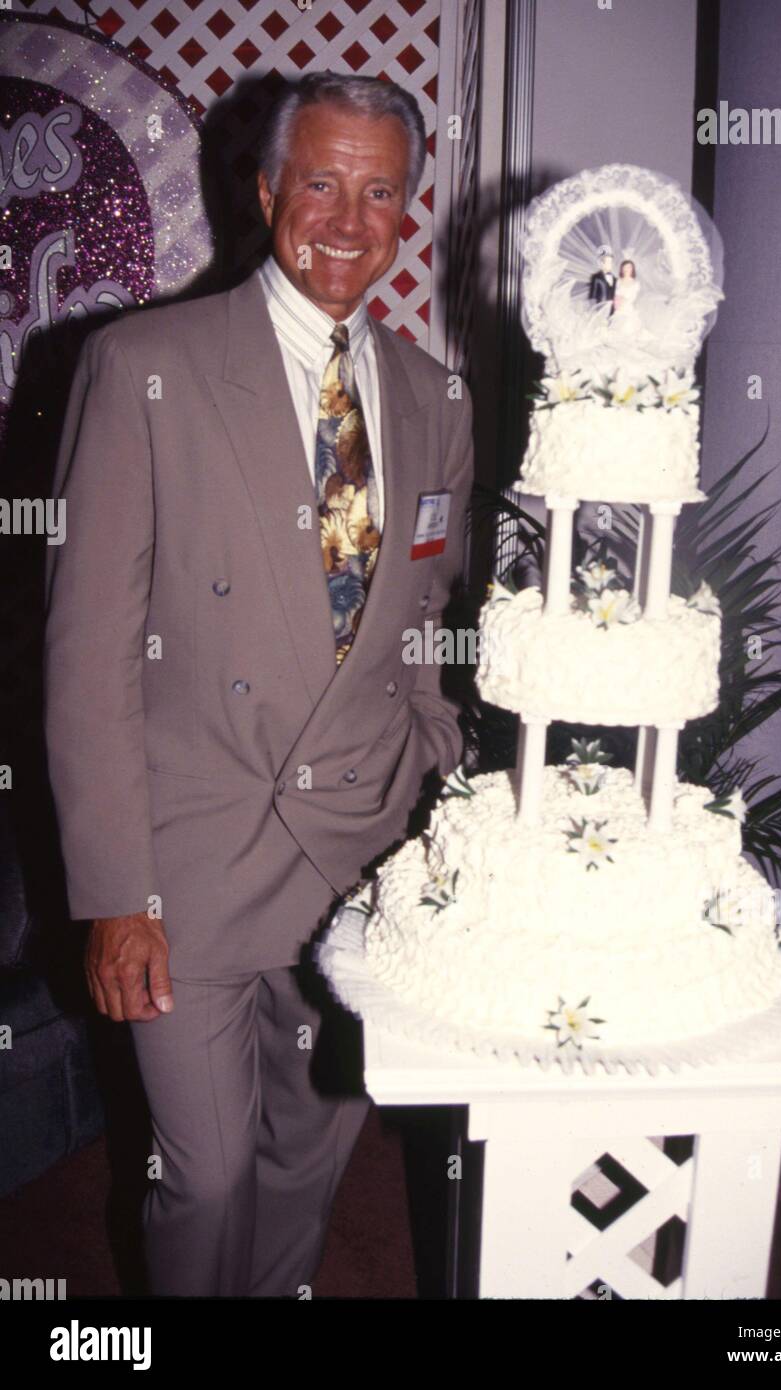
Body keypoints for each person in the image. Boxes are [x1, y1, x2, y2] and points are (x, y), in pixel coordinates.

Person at [43, 71, 474, 1297]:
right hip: (188, 860)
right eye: (321, 182)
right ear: (268, 187)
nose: (346, 219)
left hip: (361, 856)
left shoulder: (438, 399)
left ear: (407, 210)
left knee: (308, 1158)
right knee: (211, 1172)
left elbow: (423, 619)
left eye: (378, 190)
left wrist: (433, 789)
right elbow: (86, 656)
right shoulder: (142, 366)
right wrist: (115, 890)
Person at [587, 245, 616, 312]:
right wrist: (593, 310)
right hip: (600, 309)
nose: (610, 264)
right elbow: (592, 297)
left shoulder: (614, 279)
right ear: (602, 263)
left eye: (611, 262)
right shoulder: (596, 278)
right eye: (607, 262)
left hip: (613, 310)